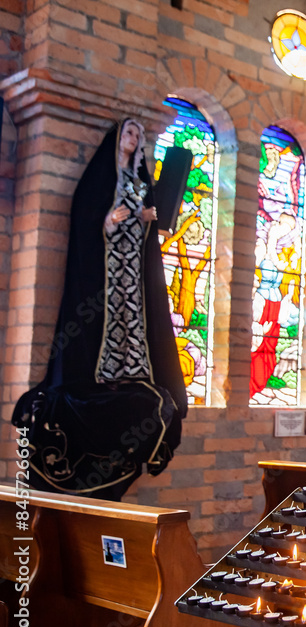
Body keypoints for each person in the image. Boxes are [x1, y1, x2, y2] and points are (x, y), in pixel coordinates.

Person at [11, 119, 188, 501]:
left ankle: (128, 370)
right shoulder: (102, 176)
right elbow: (85, 215)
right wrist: (107, 221)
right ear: (118, 138)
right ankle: (102, 371)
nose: (133, 140)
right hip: (105, 265)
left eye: (138, 136)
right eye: (129, 133)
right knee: (104, 318)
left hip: (131, 264)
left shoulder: (139, 180)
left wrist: (145, 220)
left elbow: (147, 221)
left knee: (132, 316)